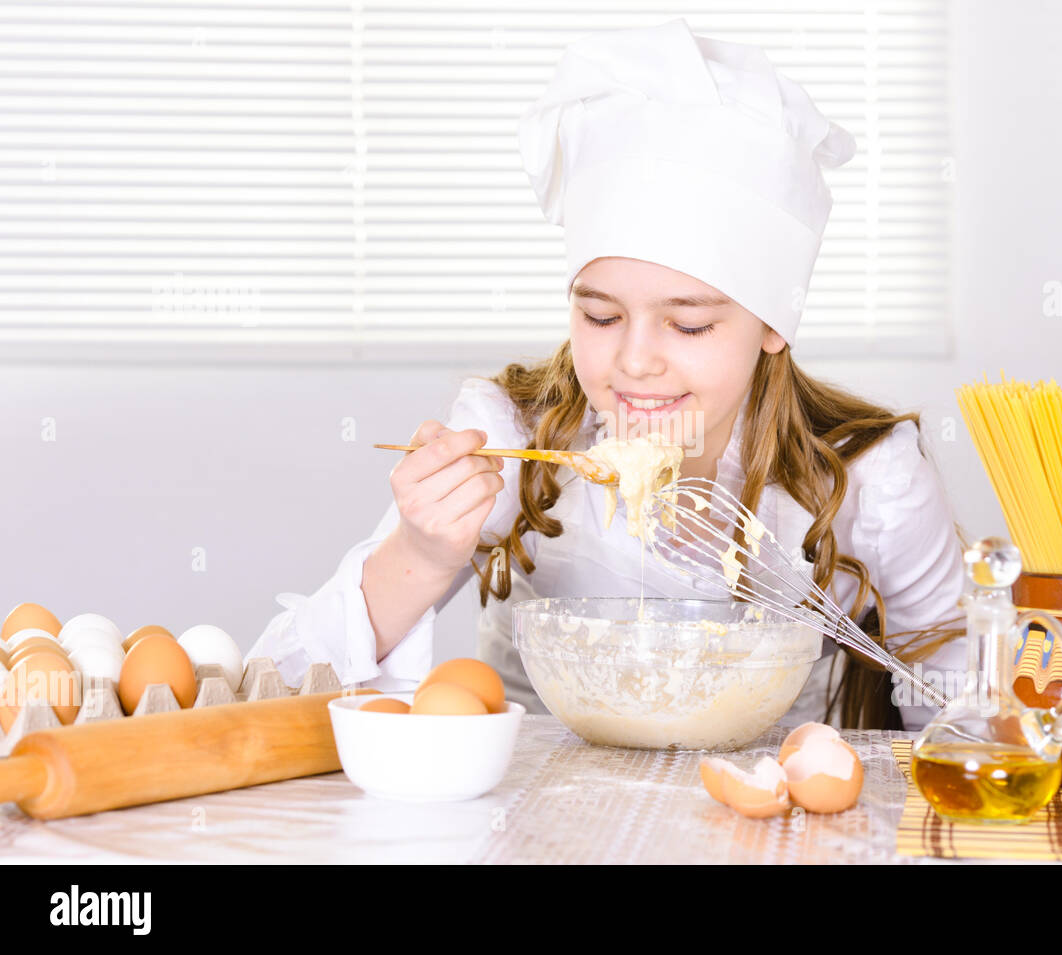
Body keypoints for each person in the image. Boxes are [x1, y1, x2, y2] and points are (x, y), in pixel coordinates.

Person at [248, 18, 967, 730]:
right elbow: (273, 692)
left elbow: (963, 709)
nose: (633, 360)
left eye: (688, 324)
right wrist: (422, 551)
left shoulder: (871, 480)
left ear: (775, 323)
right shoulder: (508, 436)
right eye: (599, 316)